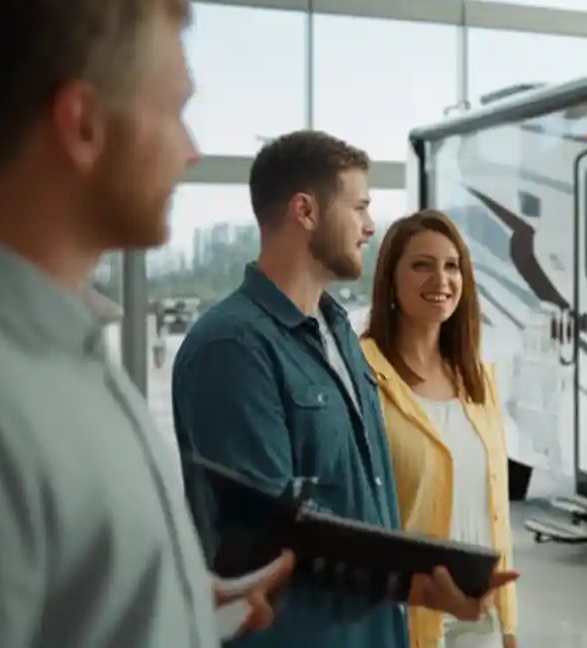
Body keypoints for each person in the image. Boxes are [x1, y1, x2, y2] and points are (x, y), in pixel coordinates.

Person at [0, 0, 293, 646]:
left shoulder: (54, 352)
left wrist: (184, 607)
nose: (192, 149)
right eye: (172, 108)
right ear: (82, 123)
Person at [171, 131, 519, 648]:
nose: (370, 226)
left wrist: (427, 580)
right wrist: (415, 579)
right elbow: (271, 535)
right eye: (359, 207)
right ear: (306, 211)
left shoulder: (338, 335)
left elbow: (369, 506)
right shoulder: (233, 348)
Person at [359, 211, 520, 648]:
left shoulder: (477, 378)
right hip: (405, 611)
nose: (441, 279)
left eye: (452, 266)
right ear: (390, 279)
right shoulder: (363, 373)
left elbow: (495, 507)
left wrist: (508, 623)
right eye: (421, 265)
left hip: (480, 609)